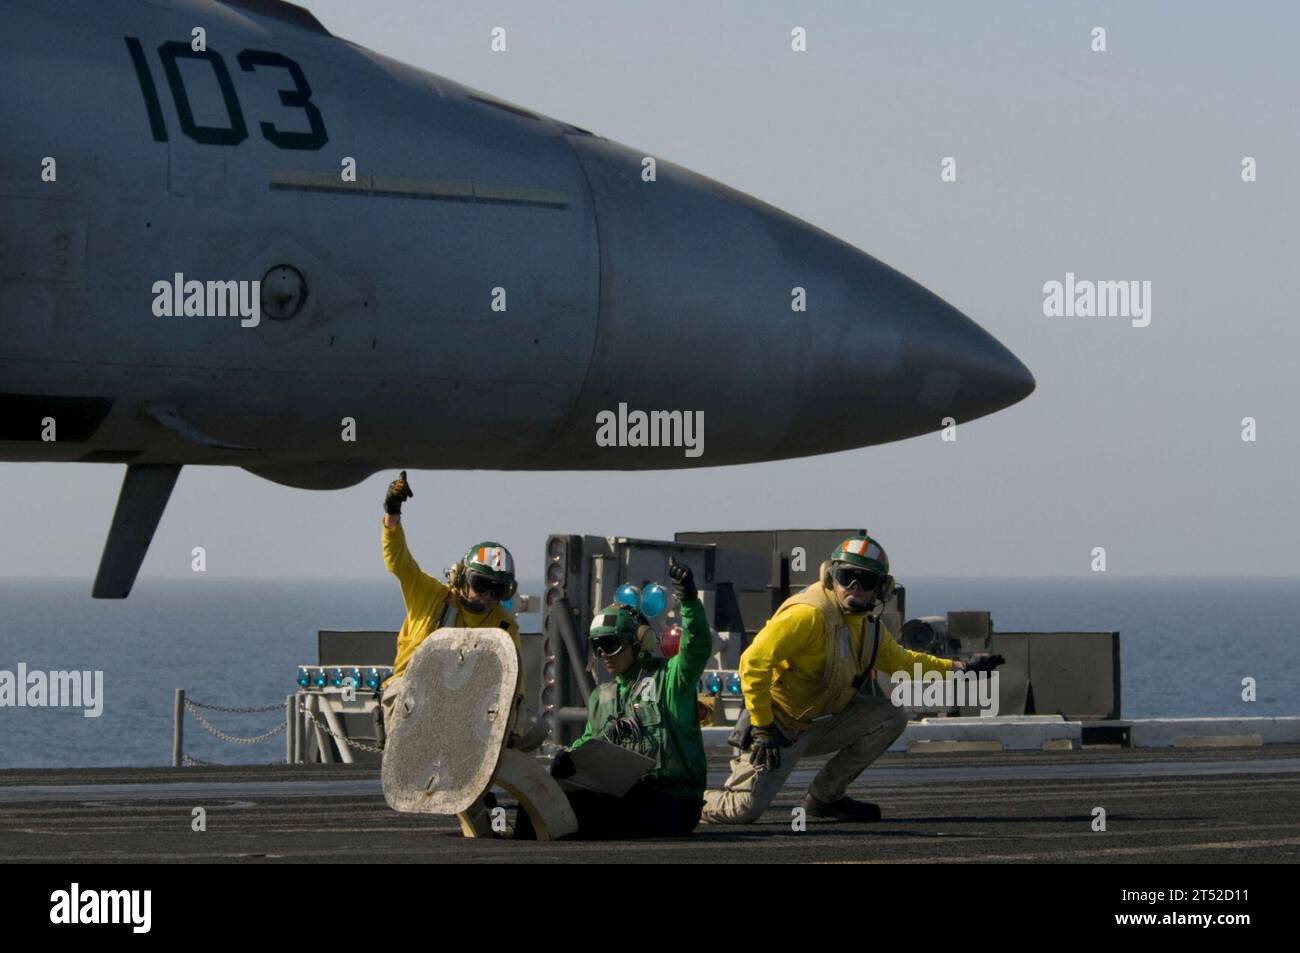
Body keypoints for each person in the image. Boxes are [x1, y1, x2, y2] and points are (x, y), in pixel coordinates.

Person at [702, 535, 1003, 824]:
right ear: (832, 577)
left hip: (821, 721)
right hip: (776, 731)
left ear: (881, 589)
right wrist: (763, 727)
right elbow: (753, 662)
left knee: (890, 717)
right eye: (847, 578)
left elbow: (902, 661)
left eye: (866, 582)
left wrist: (960, 668)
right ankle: (675, 802)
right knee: (740, 810)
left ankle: (824, 798)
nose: (854, 589)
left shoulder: (867, 626)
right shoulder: (807, 615)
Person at [377, 471, 520, 835]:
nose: (487, 597)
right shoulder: (429, 596)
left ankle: (479, 789)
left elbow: (511, 683)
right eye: (481, 585)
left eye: (497, 590)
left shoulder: (504, 626)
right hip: (409, 691)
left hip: (466, 705)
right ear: (462, 578)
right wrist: (392, 513)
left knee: (529, 730)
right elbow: (399, 562)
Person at [534, 558, 712, 839]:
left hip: (673, 802)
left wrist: (688, 600)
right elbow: (591, 741)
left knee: (590, 821)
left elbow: (697, 646)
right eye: (597, 647)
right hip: (624, 794)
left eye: (611, 644)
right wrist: (568, 758)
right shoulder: (601, 697)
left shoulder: (670, 680)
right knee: (546, 807)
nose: (603, 655)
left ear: (637, 641)